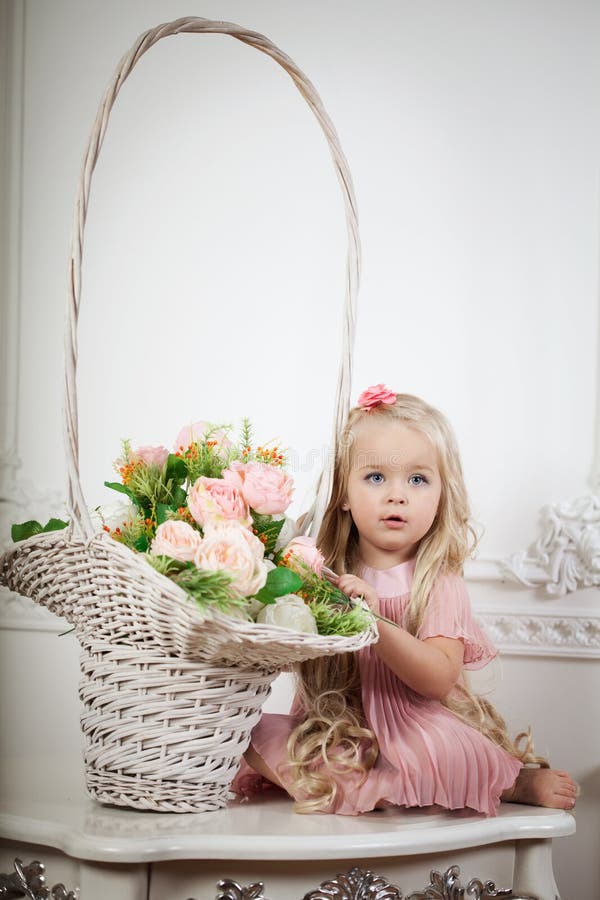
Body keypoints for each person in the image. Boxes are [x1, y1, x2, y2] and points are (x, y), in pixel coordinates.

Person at [233, 387, 578, 816]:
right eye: (375, 477)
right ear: (342, 492)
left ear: (440, 496)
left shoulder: (437, 579)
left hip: (415, 726)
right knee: (244, 730)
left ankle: (505, 779)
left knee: (443, 752)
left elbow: (437, 678)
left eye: (417, 479)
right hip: (341, 728)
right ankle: (364, 782)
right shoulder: (323, 569)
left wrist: (376, 623)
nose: (397, 495)